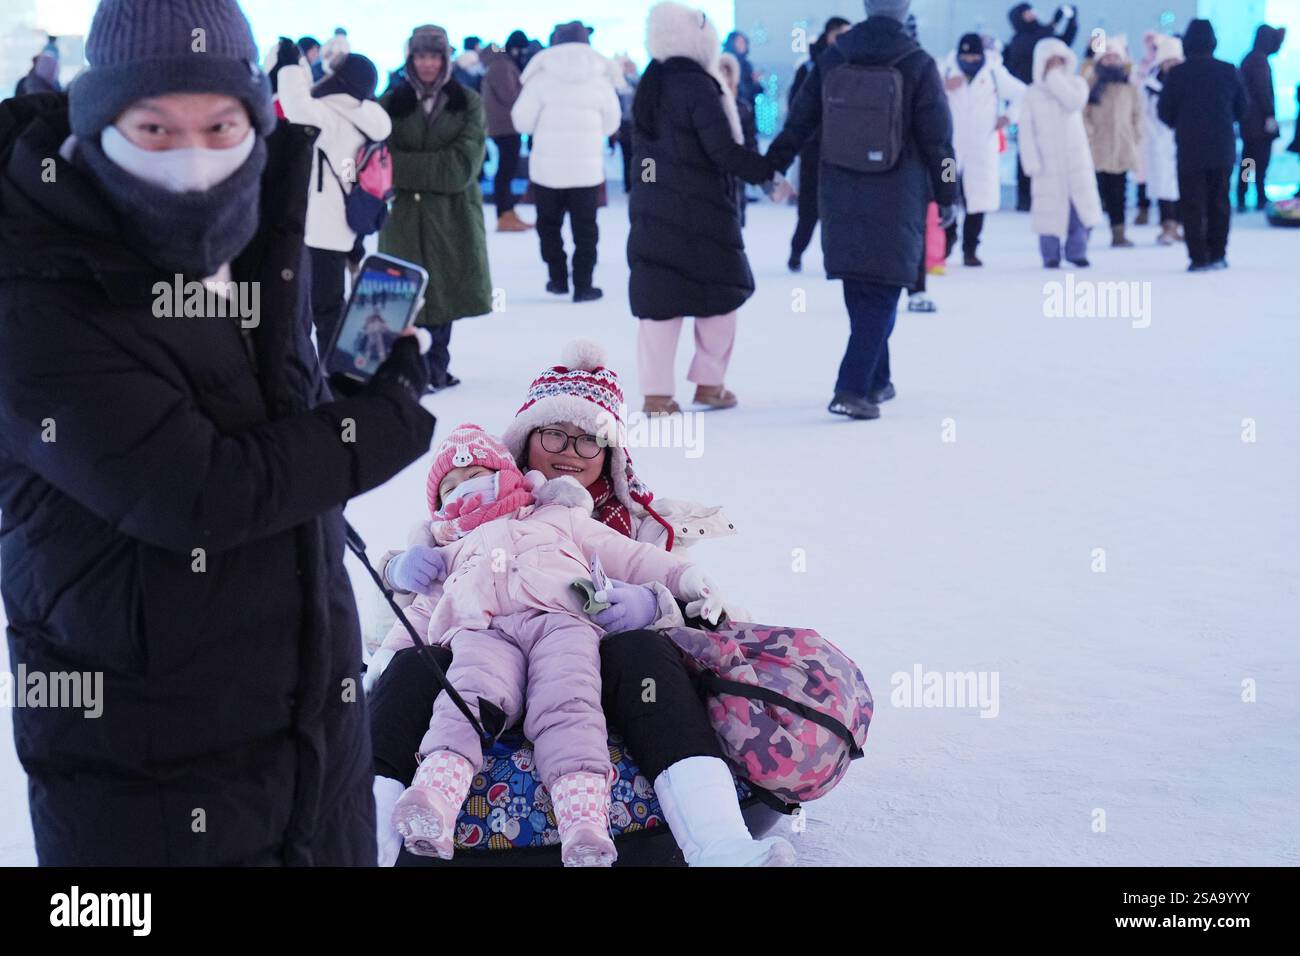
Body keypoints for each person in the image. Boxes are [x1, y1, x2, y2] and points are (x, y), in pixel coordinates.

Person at [0, 0, 436, 866]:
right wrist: (376, 425)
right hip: (143, 761)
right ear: (95, 121)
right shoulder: (31, 279)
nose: (193, 156)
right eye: (154, 125)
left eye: (220, 123)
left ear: (255, 120)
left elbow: (274, 430)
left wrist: (350, 392)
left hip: (312, 732)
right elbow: (198, 493)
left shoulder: (255, 231)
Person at [368, 340, 797, 868]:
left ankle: (719, 842)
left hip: (591, 683)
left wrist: (654, 605)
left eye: (590, 439)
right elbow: (412, 609)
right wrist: (397, 573)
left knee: (640, 652)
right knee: (413, 664)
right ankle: (363, 836)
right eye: (554, 433)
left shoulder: (646, 525)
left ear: (610, 455)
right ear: (524, 442)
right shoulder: (457, 526)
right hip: (481, 666)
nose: (571, 450)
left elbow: (707, 608)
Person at [389, 425, 726, 866]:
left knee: (569, 702)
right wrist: (384, 659)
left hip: (563, 625)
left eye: (473, 476)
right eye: (449, 489)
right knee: (464, 698)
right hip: (485, 635)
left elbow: (631, 556)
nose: (462, 491)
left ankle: (583, 820)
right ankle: (435, 796)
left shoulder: (559, 517)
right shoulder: (451, 546)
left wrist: (677, 583)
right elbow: (421, 612)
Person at [767, 0, 956, 421]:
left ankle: (877, 378)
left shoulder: (834, 55)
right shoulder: (918, 62)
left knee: (861, 286)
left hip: (840, 186)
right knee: (885, 288)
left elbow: (798, 120)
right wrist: (947, 193)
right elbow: (940, 140)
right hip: (898, 191)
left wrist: (772, 165)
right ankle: (851, 387)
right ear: (904, 11)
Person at [629, 1, 774, 415]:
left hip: (653, 209)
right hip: (703, 208)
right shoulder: (699, 85)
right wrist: (763, 168)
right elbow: (723, 151)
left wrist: (649, 194)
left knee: (659, 303)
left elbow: (644, 155)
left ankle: (657, 395)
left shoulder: (650, 83)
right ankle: (710, 384)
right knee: (721, 297)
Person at [378, 25, 493, 388]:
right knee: (403, 294)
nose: (427, 63)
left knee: (444, 292)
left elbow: (460, 168)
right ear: (410, 58)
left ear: (445, 59)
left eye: (434, 56)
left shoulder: (468, 101)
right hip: (404, 218)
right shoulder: (391, 101)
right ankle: (408, 371)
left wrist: (404, 166)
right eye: (420, 55)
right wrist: (426, 166)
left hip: (452, 216)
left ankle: (436, 368)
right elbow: (380, 163)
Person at [275, 45, 391, 355]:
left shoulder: (330, 116)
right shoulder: (367, 118)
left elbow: (294, 104)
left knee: (317, 309)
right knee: (330, 304)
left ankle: (328, 373)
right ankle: (336, 370)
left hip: (320, 226)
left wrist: (289, 67)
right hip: (345, 224)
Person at [511, 21, 621, 303]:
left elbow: (521, 120)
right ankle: (584, 285)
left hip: (547, 170)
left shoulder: (540, 77)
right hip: (586, 171)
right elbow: (611, 124)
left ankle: (557, 279)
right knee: (586, 230)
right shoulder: (600, 78)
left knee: (549, 226)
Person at [1158, 19, 1248, 272]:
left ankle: (1198, 257)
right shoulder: (1228, 70)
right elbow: (1243, 108)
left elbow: (1164, 111)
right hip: (1222, 146)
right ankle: (1218, 253)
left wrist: (1182, 124)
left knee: (1192, 203)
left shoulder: (1177, 74)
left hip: (1189, 148)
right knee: (1220, 201)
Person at [941, 31, 1026, 266]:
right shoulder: (944, 70)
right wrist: (943, 87)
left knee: (977, 199)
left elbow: (1022, 93)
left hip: (981, 147)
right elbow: (924, 94)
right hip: (948, 151)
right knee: (945, 194)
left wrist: (1008, 117)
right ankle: (945, 244)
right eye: (965, 57)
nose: (969, 62)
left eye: (973, 57)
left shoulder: (994, 73)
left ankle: (971, 248)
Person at [1018, 38, 1102, 269]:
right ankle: (1050, 254)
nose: (1054, 65)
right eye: (1050, 61)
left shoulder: (1076, 85)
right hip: (1047, 162)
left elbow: (1073, 103)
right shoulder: (1033, 94)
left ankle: (1077, 251)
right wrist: (1031, 161)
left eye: (1059, 60)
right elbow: (1026, 130)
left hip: (1075, 160)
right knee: (1048, 210)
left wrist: (1055, 79)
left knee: (1080, 209)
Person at [788, 16, 852, 272]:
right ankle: (796, 252)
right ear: (829, 35)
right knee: (809, 208)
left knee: (838, 209)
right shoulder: (809, 66)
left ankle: (835, 259)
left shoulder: (852, 63)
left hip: (844, 147)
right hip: (814, 146)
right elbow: (797, 106)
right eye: (841, 34)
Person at [1005, 3, 1080, 211]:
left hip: (1051, 100)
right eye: (1026, 13)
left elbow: (1061, 44)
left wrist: (1072, 21)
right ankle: (1025, 196)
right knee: (1027, 148)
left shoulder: (1043, 34)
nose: (1032, 15)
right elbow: (1037, 46)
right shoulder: (1019, 41)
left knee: (1053, 147)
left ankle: (1052, 193)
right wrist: (1054, 22)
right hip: (1028, 101)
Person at [1084, 36, 1143, 248]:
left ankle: (1118, 232)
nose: (1111, 61)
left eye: (1114, 57)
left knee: (1118, 192)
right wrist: (1089, 135)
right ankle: (1084, 233)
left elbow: (1137, 112)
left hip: (1122, 145)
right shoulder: (1091, 82)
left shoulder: (1129, 84)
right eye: (1107, 57)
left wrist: (1135, 136)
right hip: (1097, 145)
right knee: (1093, 192)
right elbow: (1084, 113)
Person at [481, 31, 532, 232]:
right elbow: (508, 94)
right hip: (506, 125)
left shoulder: (498, 62)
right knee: (506, 171)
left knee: (506, 170)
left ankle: (508, 212)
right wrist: (526, 92)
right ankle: (504, 214)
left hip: (502, 124)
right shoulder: (502, 64)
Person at [1238, 24, 1286, 212]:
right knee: (1258, 160)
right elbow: (1263, 91)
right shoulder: (1259, 61)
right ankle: (1257, 194)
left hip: (1249, 122)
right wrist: (1269, 115)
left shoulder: (1251, 59)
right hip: (1258, 122)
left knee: (1249, 160)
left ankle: (1244, 194)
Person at [1141, 35, 1183, 245]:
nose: (1171, 66)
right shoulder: (1151, 84)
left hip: (1182, 141)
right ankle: (1167, 225)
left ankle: (1180, 224)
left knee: (1181, 184)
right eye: (1168, 61)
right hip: (1159, 140)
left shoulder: (1187, 82)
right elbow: (1145, 113)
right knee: (1164, 185)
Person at [718, 52, 759, 226]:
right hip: (713, 176)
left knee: (735, 219)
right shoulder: (706, 106)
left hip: (737, 172)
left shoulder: (743, 108)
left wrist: (757, 170)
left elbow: (751, 141)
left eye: (728, 74)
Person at [613, 54, 641, 193]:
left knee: (644, 157)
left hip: (638, 124)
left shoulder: (641, 82)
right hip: (625, 124)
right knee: (627, 156)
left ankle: (645, 182)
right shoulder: (619, 84)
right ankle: (629, 185)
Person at [723, 30, 762, 108]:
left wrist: (754, 81)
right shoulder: (727, 63)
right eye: (739, 42)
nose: (742, 45)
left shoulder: (746, 64)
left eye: (744, 42)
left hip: (746, 108)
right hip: (735, 107)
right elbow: (741, 91)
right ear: (731, 43)